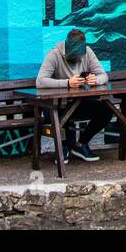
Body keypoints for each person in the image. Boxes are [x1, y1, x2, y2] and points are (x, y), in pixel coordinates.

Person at [36, 28, 109, 162]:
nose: (77, 59)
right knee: (61, 111)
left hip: (78, 103)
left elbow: (103, 75)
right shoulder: (54, 55)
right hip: (55, 105)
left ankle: (81, 144)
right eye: (73, 55)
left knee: (106, 111)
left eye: (79, 56)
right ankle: (63, 148)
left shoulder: (88, 52)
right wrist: (68, 83)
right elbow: (40, 81)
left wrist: (95, 80)